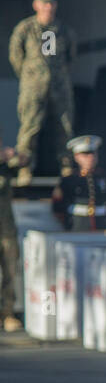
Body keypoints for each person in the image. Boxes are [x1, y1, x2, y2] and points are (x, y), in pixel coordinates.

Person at [9, 0, 77, 185]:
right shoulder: (26, 29)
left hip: (59, 86)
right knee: (30, 127)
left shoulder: (63, 30)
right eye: (45, 3)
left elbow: (71, 57)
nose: (49, 7)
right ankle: (25, 169)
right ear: (36, 5)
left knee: (65, 126)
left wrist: (58, 75)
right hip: (33, 86)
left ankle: (66, 168)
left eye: (52, 3)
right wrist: (30, 76)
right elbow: (15, 56)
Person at [51, 135, 106, 231]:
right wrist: (68, 224)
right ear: (76, 157)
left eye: (93, 153)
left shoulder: (105, 178)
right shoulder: (69, 179)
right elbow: (58, 208)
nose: (91, 157)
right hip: (77, 225)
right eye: (85, 154)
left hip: (100, 226)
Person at [0, 134, 20, 332]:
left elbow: (24, 160)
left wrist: (12, 155)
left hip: (6, 229)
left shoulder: (5, 165)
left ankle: (8, 313)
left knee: (10, 271)